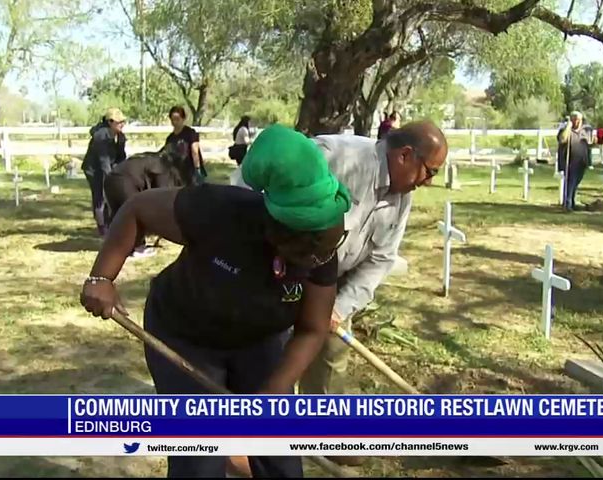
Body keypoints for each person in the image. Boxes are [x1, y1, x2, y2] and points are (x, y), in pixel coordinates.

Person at [80, 124, 351, 478]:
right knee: (200, 457)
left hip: (259, 341)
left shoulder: (322, 246)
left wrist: (272, 392)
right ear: (276, 229)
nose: (318, 259)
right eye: (309, 249)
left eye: (328, 246)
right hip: (185, 335)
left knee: (278, 452)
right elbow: (137, 209)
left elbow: (313, 329)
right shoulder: (220, 211)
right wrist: (102, 277)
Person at [298, 121, 448, 467]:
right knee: (273, 353)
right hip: (285, 274)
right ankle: (259, 435)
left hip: (336, 282)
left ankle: (326, 433)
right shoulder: (335, 157)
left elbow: (381, 258)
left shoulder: (402, 195)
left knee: (331, 356)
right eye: (430, 172)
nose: (430, 182)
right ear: (405, 155)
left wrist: (337, 306)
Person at [103, 146, 187, 259]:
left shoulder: (153, 158)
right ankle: (138, 248)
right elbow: (163, 195)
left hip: (111, 178)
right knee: (136, 215)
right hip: (126, 181)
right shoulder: (163, 167)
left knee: (118, 214)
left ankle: (113, 244)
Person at [82, 108, 128, 237]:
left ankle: (109, 223)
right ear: (110, 122)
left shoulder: (120, 136)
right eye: (119, 122)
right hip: (94, 169)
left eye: (123, 121)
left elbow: (121, 157)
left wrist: (122, 172)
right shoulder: (101, 136)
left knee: (111, 194)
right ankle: (102, 226)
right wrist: (111, 177)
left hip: (108, 166)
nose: (122, 124)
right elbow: (103, 160)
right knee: (100, 195)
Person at [556, 111, 594, 211]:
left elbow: (590, 143)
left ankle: (571, 201)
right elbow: (562, 139)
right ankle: (567, 203)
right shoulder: (565, 130)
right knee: (570, 182)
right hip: (569, 161)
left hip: (582, 161)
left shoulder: (585, 130)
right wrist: (568, 127)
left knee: (575, 182)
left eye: (577, 120)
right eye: (573, 120)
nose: (576, 122)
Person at [164, 105, 207, 184]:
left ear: (183, 119)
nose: (174, 122)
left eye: (177, 119)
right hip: (177, 175)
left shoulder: (191, 133)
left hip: (191, 172)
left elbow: (195, 151)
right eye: (172, 120)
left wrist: (197, 169)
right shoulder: (170, 139)